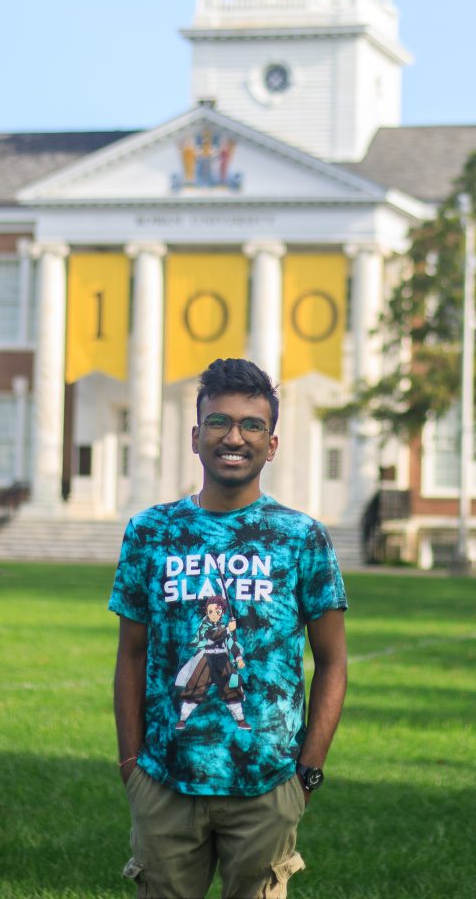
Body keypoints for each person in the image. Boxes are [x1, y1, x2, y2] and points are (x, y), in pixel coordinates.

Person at [110, 357, 348, 899]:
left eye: (251, 425)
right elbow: (131, 654)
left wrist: (306, 774)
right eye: (218, 421)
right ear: (195, 437)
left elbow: (333, 661)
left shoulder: (301, 537)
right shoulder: (150, 531)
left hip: (266, 786)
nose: (234, 437)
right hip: (165, 782)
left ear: (272, 443)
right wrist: (131, 765)